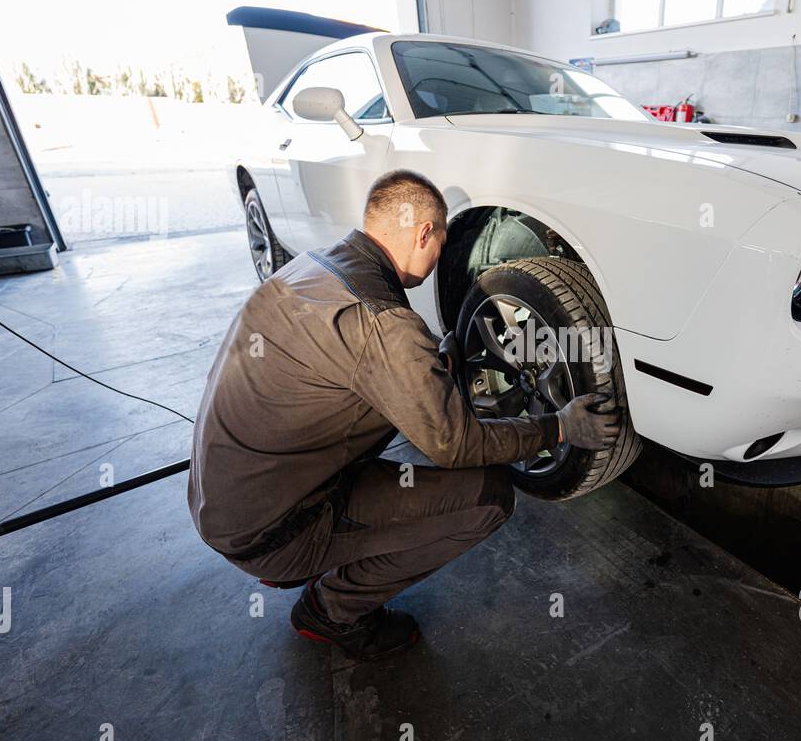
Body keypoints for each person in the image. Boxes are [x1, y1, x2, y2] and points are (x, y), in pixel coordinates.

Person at [188, 169, 619, 661]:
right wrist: (558, 426)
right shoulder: (386, 330)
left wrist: (430, 365)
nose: (440, 260)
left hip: (223, 496)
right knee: (489, 498)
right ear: (423, 235)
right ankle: (332, 610)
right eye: (441, 244)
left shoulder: (313, 268)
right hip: (274, 529)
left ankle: (309, 561)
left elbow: (360, 369)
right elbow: (455, 446)